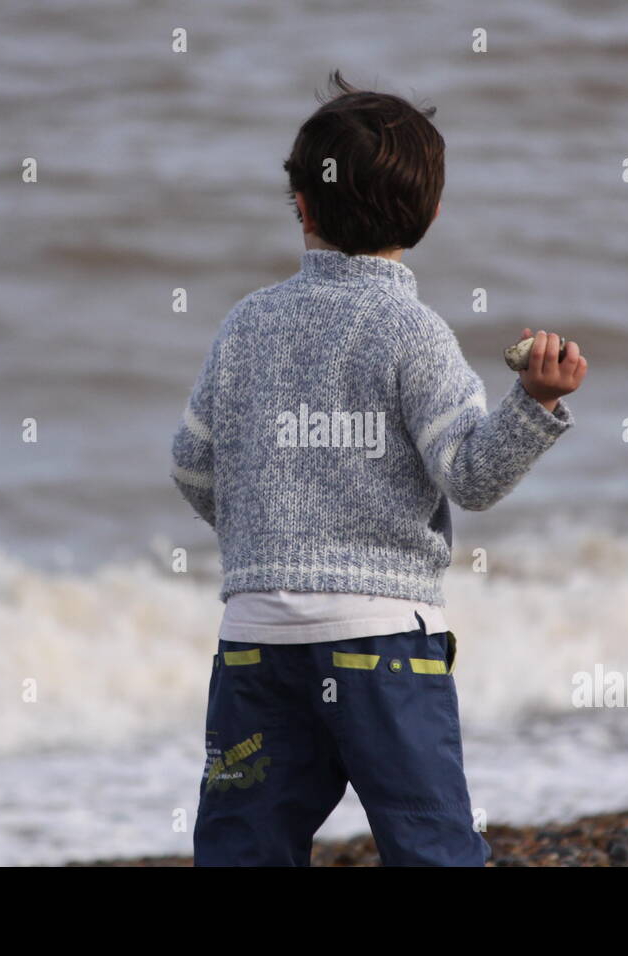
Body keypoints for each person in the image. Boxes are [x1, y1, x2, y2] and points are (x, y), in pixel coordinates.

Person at [171, 70, 587, 866]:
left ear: (302, 204)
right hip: (380, 646)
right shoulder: (411, 330)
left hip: (256, 642)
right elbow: (470, 476)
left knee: (242, 849)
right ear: (429, 214)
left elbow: (192, 465)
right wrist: (533, 403)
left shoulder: (247, 323)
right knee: (431, 848)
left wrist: (265, 531)